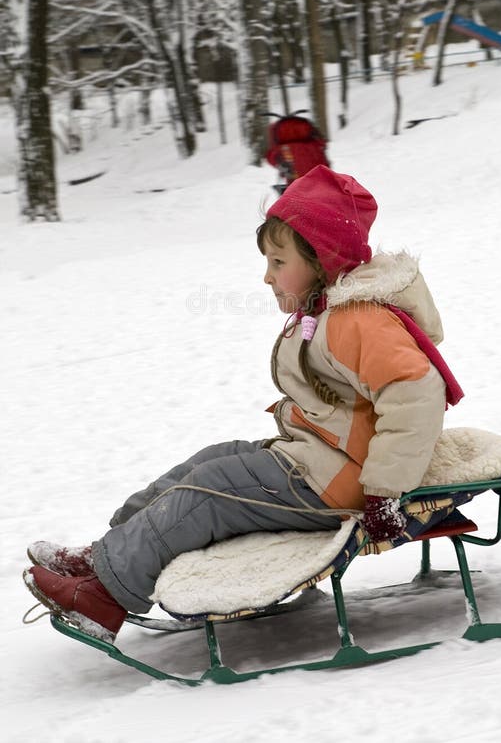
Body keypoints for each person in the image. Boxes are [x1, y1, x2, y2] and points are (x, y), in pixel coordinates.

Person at [23, 166, 452, 644]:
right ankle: (105, 556)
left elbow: (416, 394)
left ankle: (105, 594)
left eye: (277, 261)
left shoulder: (359, 321)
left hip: (339, 482)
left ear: (320, 258)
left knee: (211, 491)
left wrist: (385, 492)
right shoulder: (329, 312)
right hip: (314, 459)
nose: (267, 276)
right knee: (211, 461)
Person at [264, 112, 330, 194]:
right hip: (322, 185)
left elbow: (272, 157)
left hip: (296, 189)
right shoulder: (315, 144)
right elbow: (323, 146)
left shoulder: (281, 148)